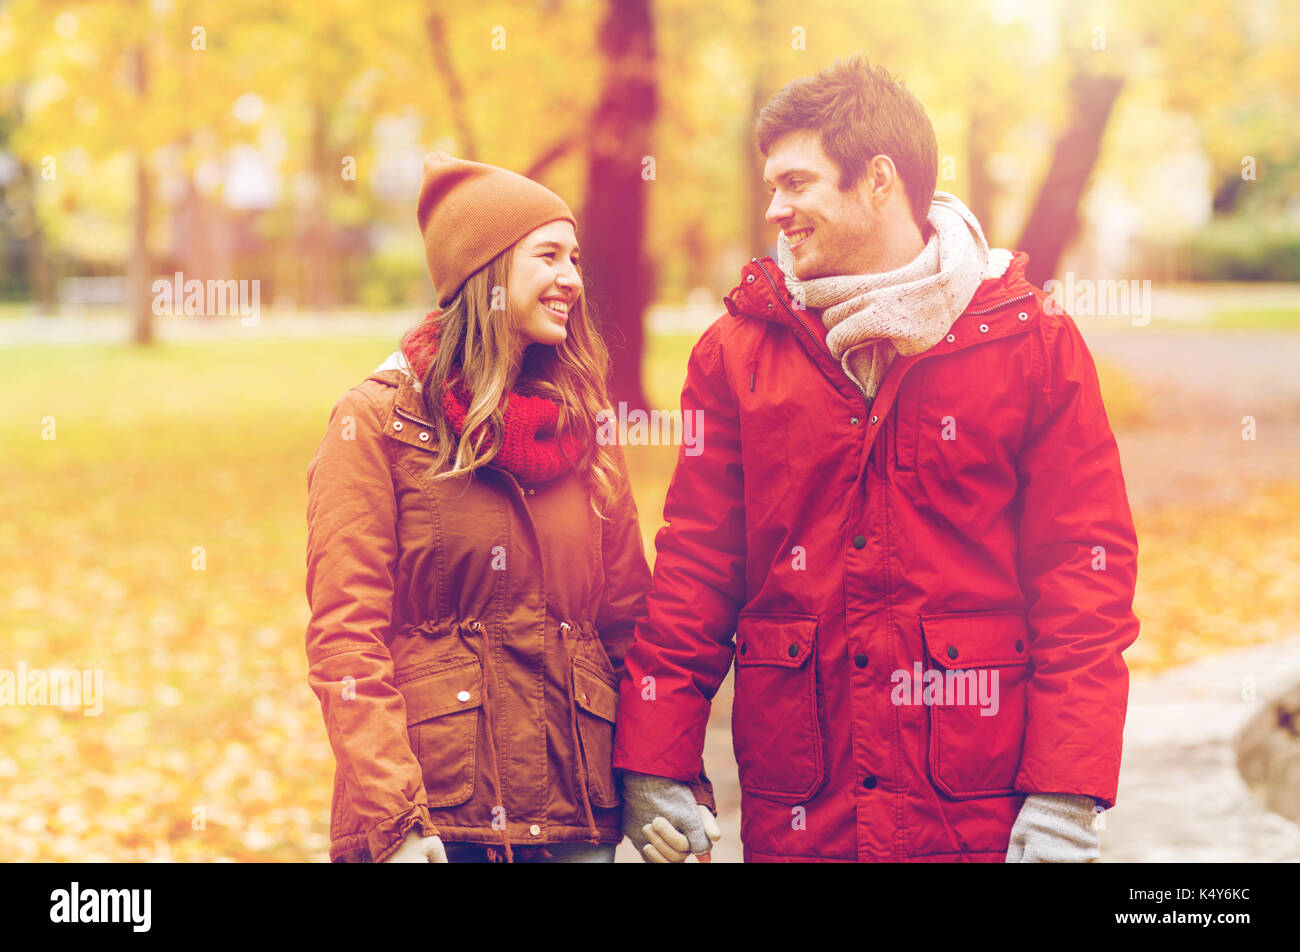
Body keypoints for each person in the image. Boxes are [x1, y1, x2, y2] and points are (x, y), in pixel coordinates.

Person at [612, 55, 1140, 862]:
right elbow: (698, 566)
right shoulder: (736, 352)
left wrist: (1067, 795)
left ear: (879, 180)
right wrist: (657, 764)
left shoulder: (1032, 343)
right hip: (803, 804)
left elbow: (1084, 572)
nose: (775, 210)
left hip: (976, 808)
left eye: (796, 184)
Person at [304, 152, 712, 862]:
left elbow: (625, 626)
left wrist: (659, 777)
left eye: (576, 259)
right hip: (442, 827)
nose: (573, 280)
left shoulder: (583, 428)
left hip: (575, 820)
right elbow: (347, 641)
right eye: (548, 256)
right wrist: (395, 819)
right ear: (483, 273)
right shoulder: (373, 424)